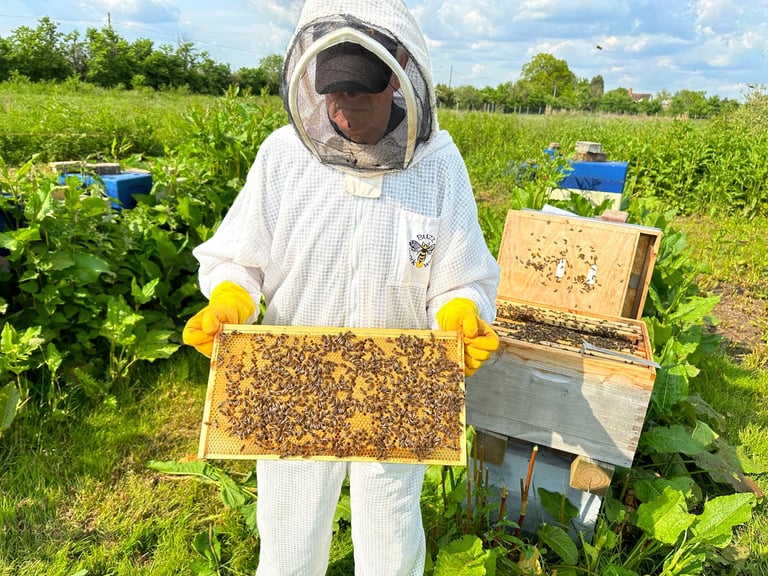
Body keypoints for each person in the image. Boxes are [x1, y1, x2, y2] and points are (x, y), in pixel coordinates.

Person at [182, 0, 500, 574]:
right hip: (293, 379)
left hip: (398, 382)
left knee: (392, 536)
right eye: (332, 91)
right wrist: (232, 296)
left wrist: (459, 310)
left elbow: (462, 273)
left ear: (401, 70)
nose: (344, 106)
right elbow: (240, 258)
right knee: (288, 536)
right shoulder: (284, 156)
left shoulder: (439, 166)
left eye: (360, 89)